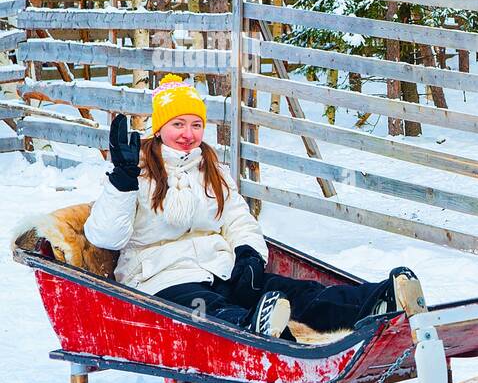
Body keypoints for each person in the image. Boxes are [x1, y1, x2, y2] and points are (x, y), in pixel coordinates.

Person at [84, 75, 424, 338]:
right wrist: (122, 180)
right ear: (160, 128)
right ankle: (255, 328)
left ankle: (377, 302)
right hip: (161, 278)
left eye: (196, 124)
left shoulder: (210, 167)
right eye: (178, 124)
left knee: (297, 292)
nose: (188, 134)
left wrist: (248, 255)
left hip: (219, 266)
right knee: (211, 309)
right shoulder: (136, 168)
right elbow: (106, 236)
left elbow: (236, 218)